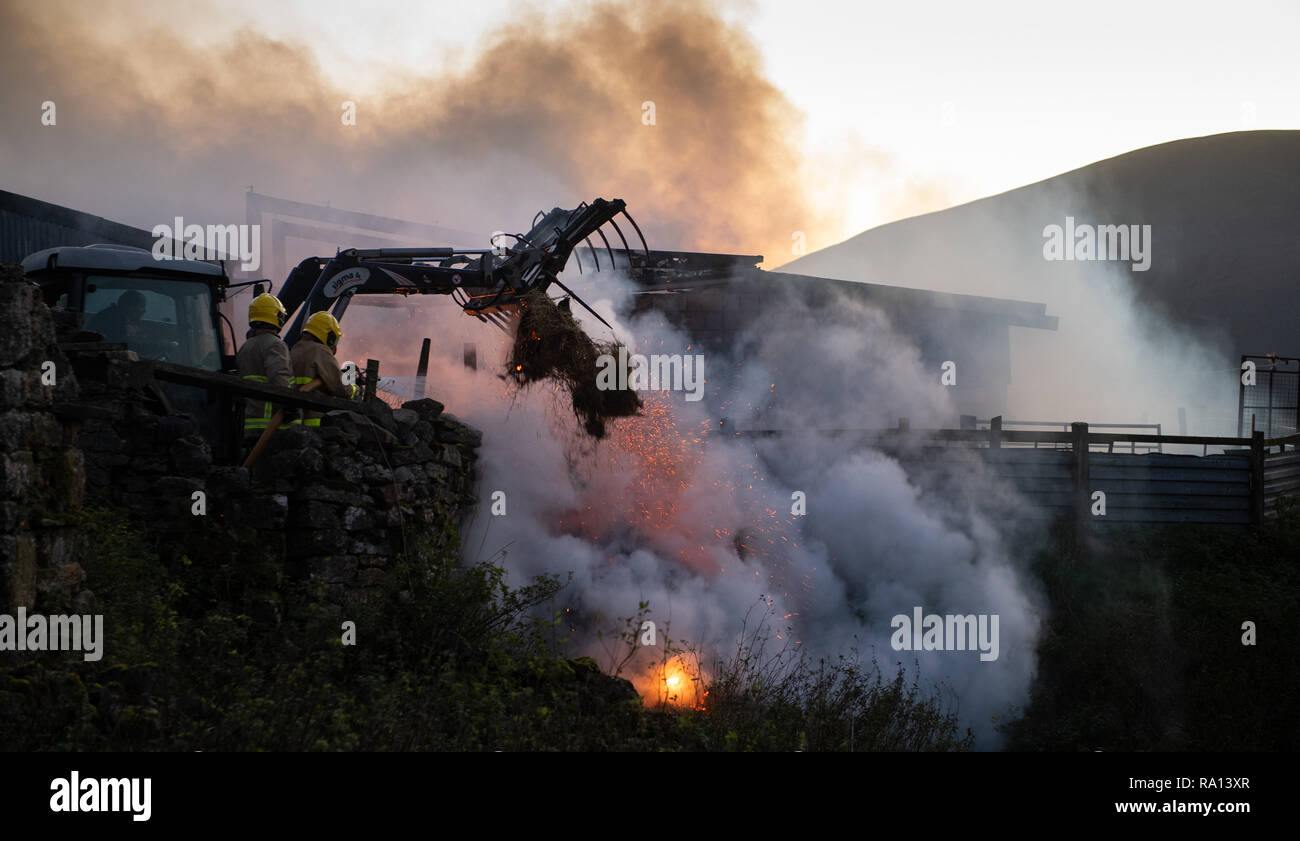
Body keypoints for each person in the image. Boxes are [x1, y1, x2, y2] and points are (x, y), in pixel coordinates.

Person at [235, 293, 292, 446]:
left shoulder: (245, 347)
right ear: (277, 317)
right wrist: (288, 406)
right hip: (270, 424)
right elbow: (278, 378)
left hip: (249, 422)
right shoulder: (275, 345)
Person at [290, 311, 357, 426]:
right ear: (329, 336)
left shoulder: (294, 349)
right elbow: (343, 389)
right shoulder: (320, 351)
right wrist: (354, 388)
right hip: (314, 423)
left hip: (293, 420)